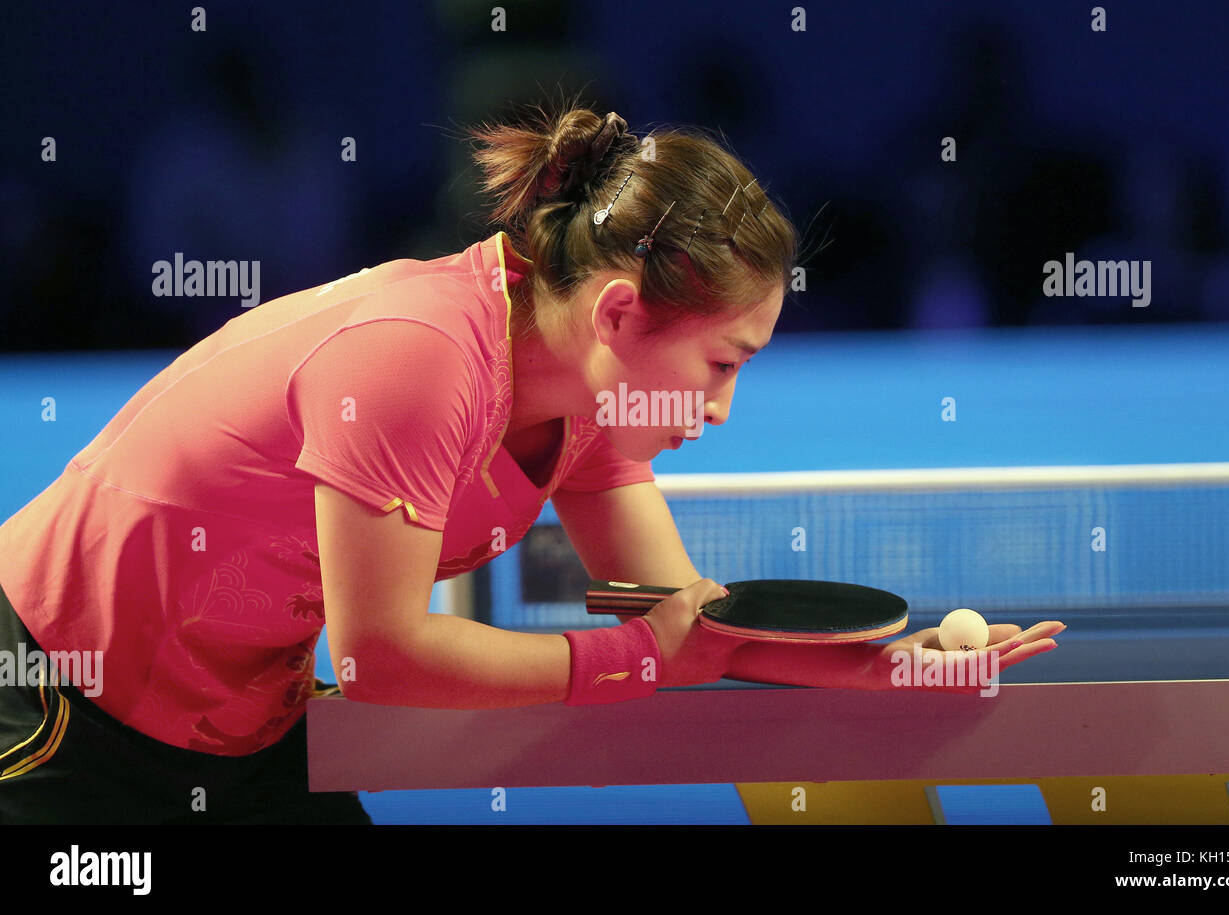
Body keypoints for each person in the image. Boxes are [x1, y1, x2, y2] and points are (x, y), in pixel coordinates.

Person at [0, 104, 1061, 825]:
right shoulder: (417, 359)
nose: (724, 407)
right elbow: (383, 656)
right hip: (54, 706)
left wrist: (879, 667)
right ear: (617, 311)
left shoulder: (590, 396)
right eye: (722, 362)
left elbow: (678, 612)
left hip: (236, 724)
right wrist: (642, 659)